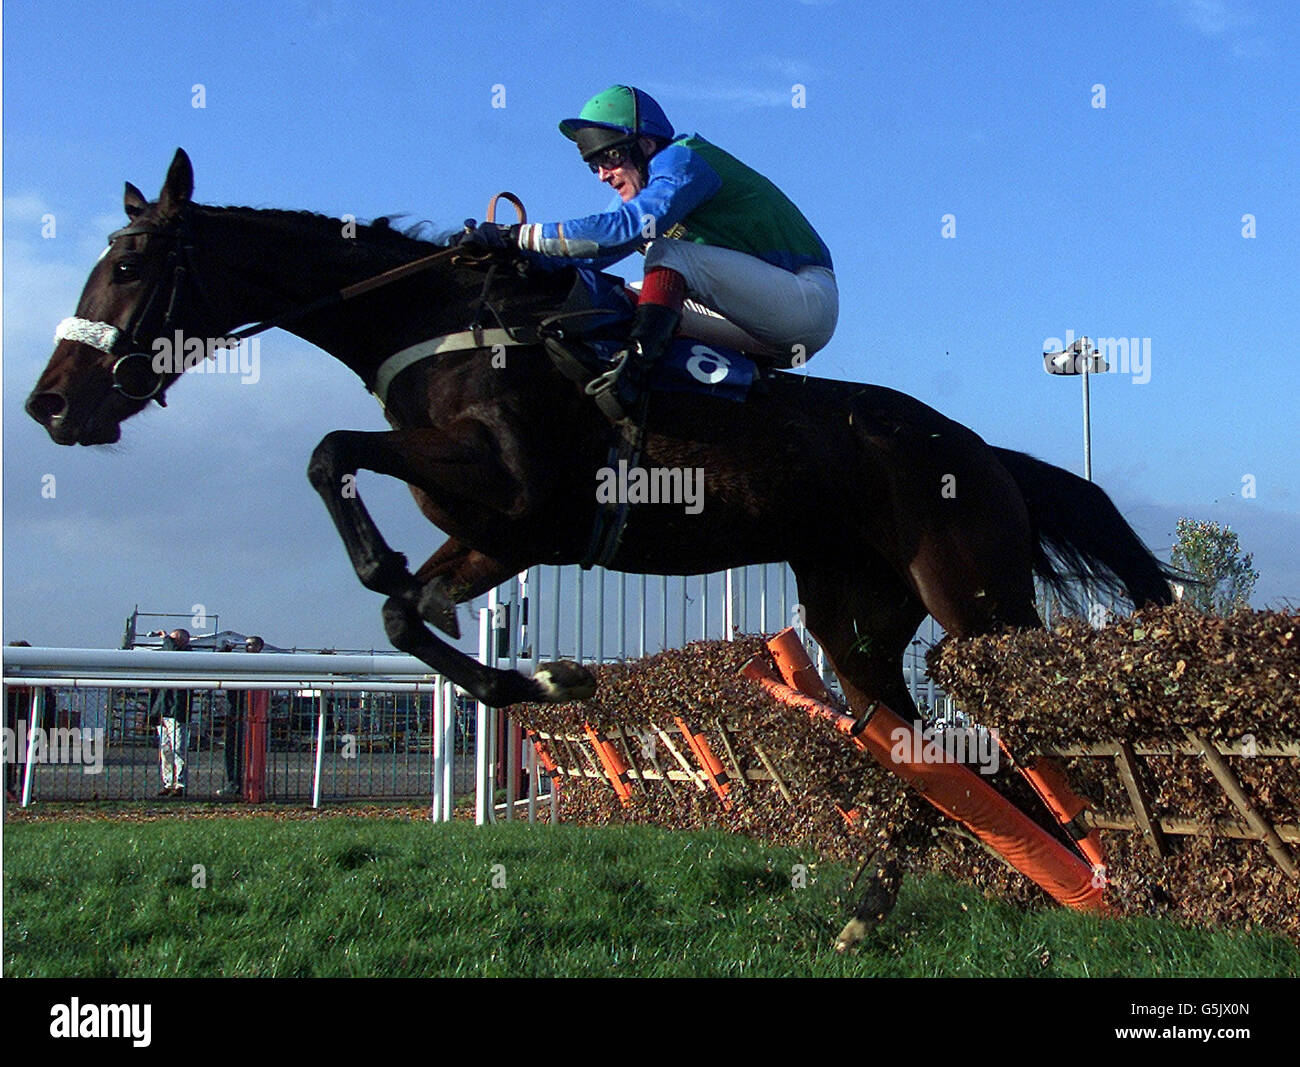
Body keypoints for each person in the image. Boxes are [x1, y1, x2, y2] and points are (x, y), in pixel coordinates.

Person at [460, 84, 838, 421]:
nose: (602, 175)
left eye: (608, 158)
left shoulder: (684, 159)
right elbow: (590, 256)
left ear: (645, 145)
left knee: (667, 253)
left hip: (804, 305)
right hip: (753, 326)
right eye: (593, 164)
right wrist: (516, 260)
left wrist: (517, 236)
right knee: (617, 298)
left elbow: (617, 231)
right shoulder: (643, 190)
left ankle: (633, 377)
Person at [150, 629, 193, 796]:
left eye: (174, 640)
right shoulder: (167, 657)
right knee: (166, 750)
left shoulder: (185, 655)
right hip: (164, 711)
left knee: (178, 748)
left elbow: (173, 653)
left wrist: (166, 638)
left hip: (176, 711)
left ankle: (180, 784)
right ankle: (168, 782)